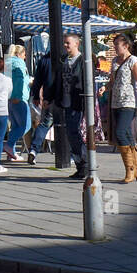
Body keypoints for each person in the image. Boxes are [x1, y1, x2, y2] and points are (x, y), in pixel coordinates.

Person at [100, 34, 137, 183]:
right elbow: (112, 81)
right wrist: (105, 88)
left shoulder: (134, 61)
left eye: (117, 45)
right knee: (126, 133)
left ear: (125, 46)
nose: (115, 48)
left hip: (129, 102)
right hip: (115, 102)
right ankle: (136, 167)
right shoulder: (114, 61)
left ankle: (130, 169)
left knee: (120, 133)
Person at [47, 33, 88, 180]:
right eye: (64, 43)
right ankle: (81, 165)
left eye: (67, 43)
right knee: (71, 133)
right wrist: (49, 97)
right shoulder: (63, 60)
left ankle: (84, 161)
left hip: (77, 102)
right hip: (65, 101)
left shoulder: (84, 61)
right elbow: (56, 80)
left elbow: (86, 83)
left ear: (76, 44)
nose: (65, 46)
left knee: (73, 132)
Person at [4, 43, 32, 162]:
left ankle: (11, 152)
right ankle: (9, 146)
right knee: (25, 125)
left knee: (15, 126)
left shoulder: (7, 63)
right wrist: (19, 95)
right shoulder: (19, 63)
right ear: (19, 54)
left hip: (9, 98)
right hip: (19, 98)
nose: (25, 57)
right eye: (24, 55)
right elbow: (20, 81)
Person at [27, 44, 55, 165]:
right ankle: (72, 154)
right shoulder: (63, 59)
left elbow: (37, 79)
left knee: (44, 125)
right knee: (66, 127)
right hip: (62, 99)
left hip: (48, 98)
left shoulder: (44, 60)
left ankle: (33, 150)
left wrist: (36, 96)